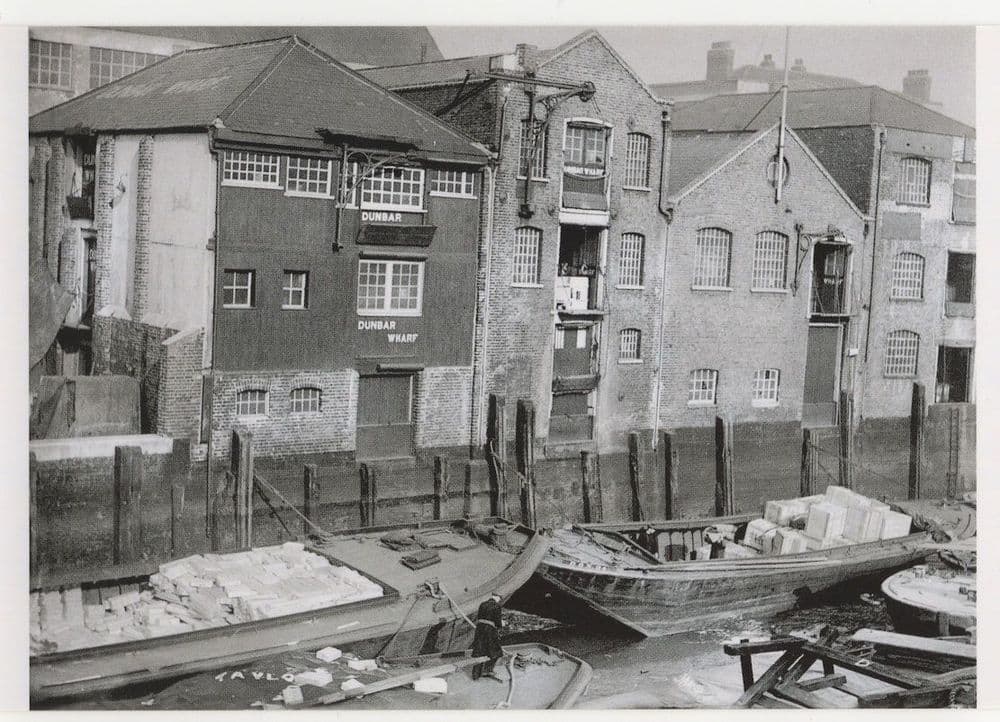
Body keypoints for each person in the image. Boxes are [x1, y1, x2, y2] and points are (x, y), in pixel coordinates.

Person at [470, 593, 504, 680]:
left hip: (479, 629)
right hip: (489, 631)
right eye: (500, 598)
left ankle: (475, 675)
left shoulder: (482, 604)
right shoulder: (497, 606)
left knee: (479, 651)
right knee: (496, 652)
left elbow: (479, 617)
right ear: (497, 597)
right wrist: (502, 624)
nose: (500, 600)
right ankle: (487, 670)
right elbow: (497, 622)